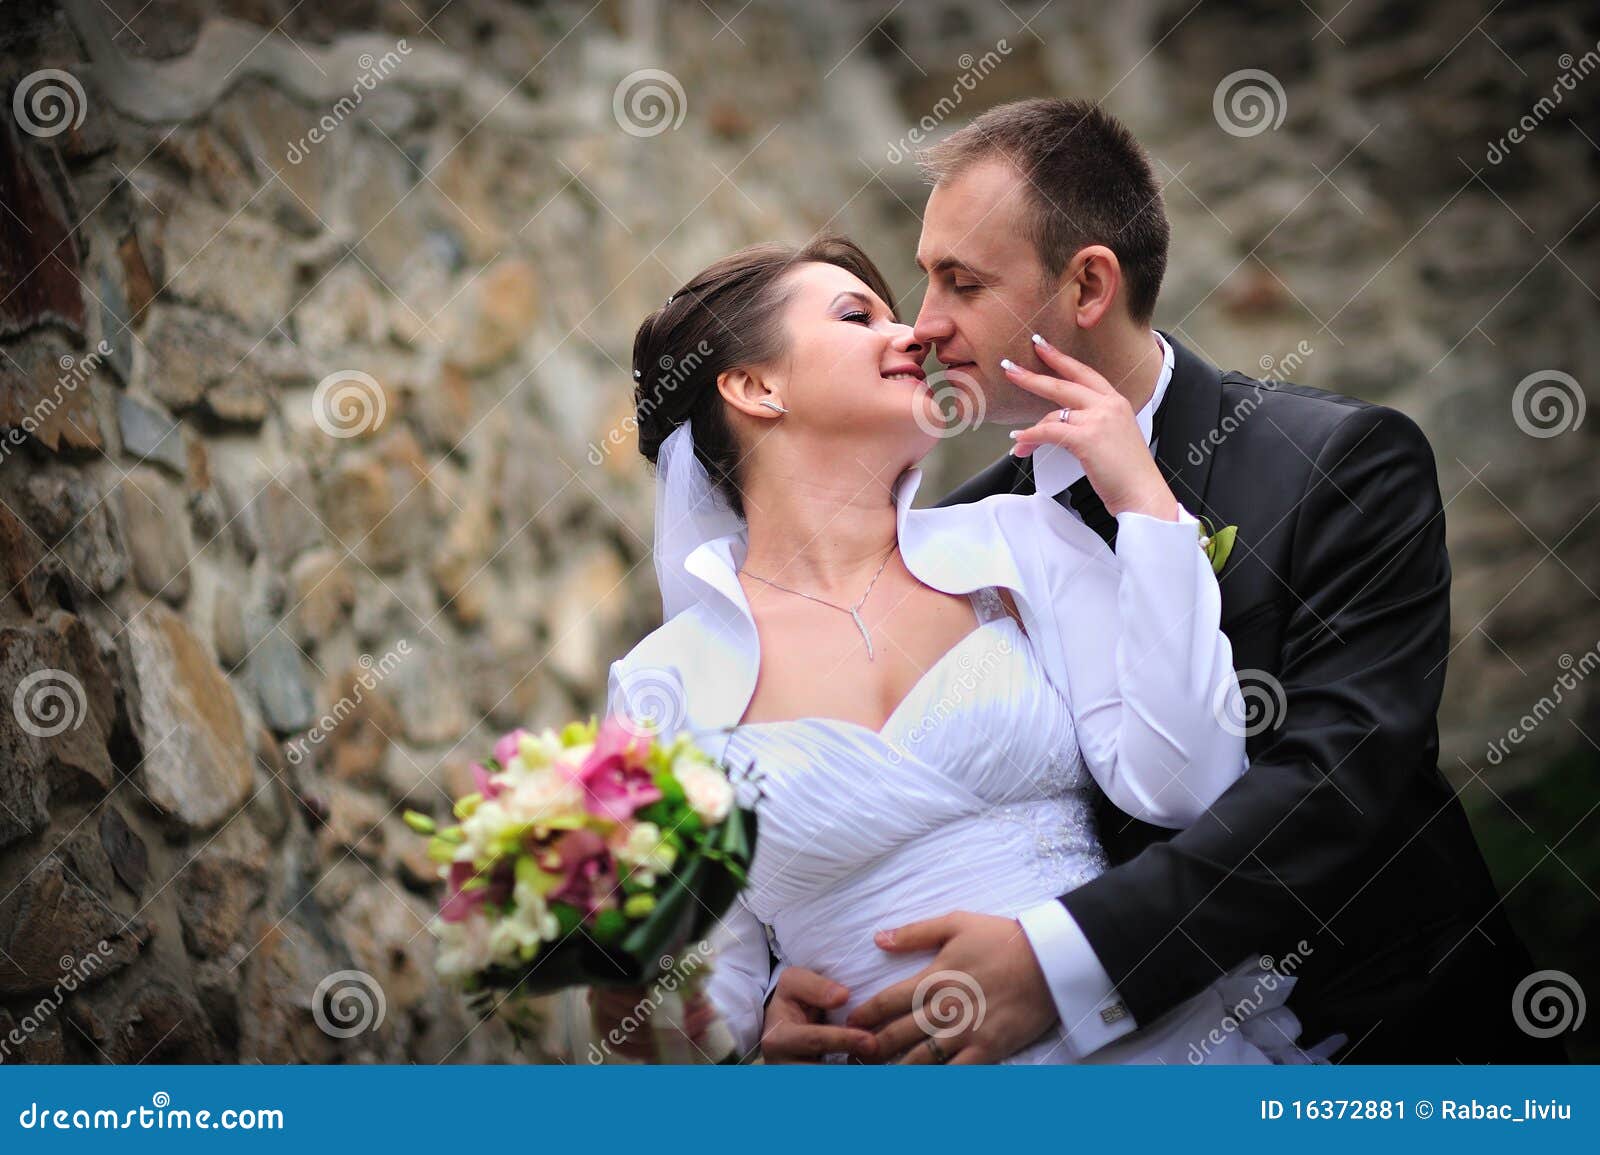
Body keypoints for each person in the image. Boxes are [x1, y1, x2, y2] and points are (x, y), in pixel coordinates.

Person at [769, 98, 1558, 1065]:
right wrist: (793, 983)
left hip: (1392, 1041)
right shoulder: (957, 542)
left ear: (1088, 284)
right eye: (926, 277)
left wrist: (1065, 960)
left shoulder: (1338, 463)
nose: (925, 326)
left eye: (962, 283)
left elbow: (1342, 782)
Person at [602, 236, 1324, 1064]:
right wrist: (757, 1038)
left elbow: (1186, 784)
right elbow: (699, 1006)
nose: (911, 334)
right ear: (755, 386)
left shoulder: (1020, 544)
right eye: (856, 315)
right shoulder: (661, 685)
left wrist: (1146, 506)